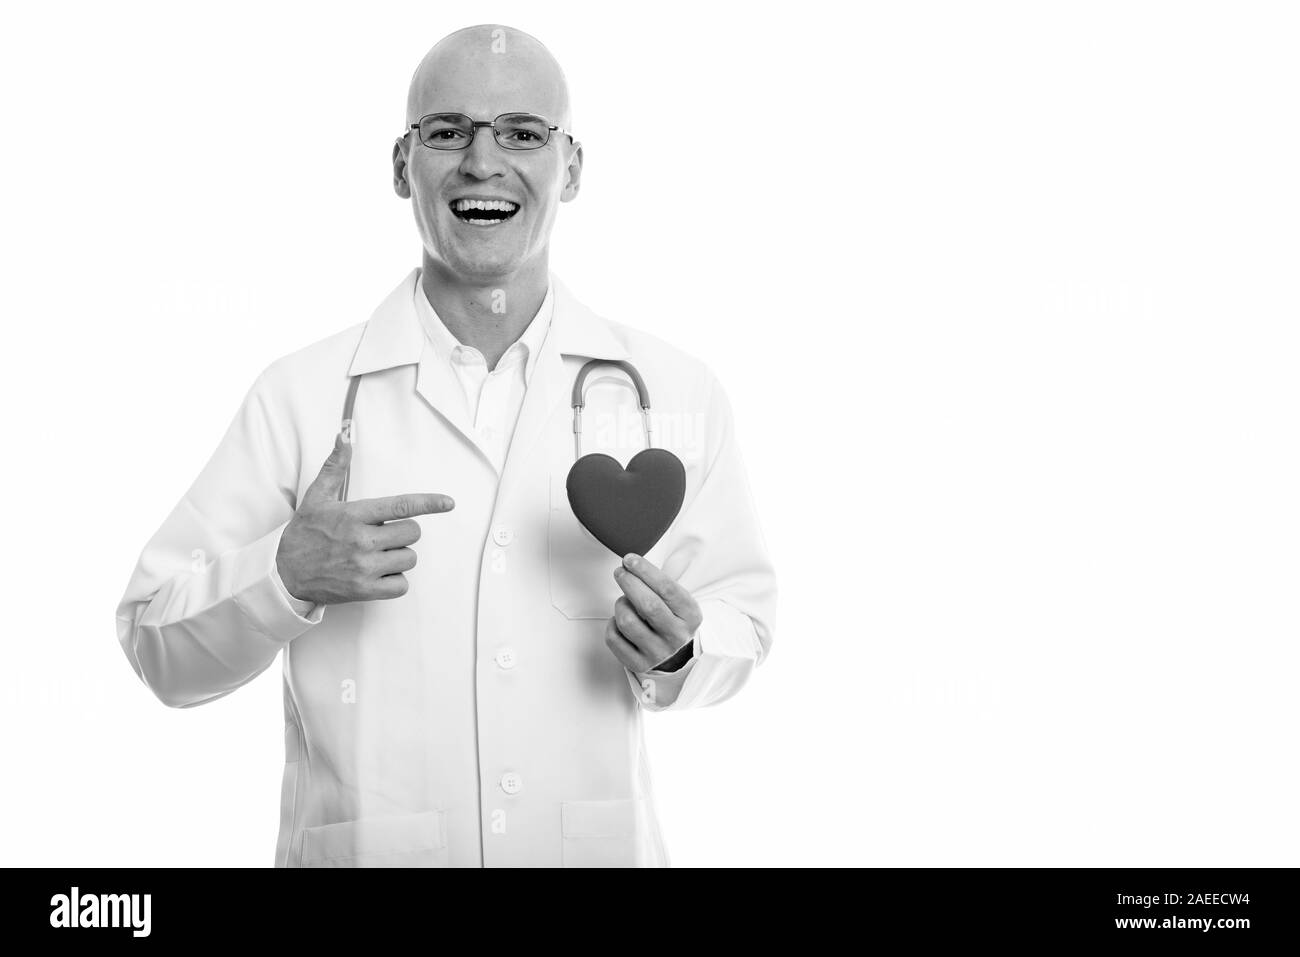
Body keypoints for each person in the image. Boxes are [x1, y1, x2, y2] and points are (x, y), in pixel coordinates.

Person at [115, 24, 776, 867]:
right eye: (448, 131)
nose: (482, 161)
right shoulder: (302, 395)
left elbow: (745, 624)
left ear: (571, 167)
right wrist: (282, 575)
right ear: (402, 166)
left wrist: (682, 648)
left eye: (522, 133)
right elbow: (153, 641)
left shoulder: (673, 390)